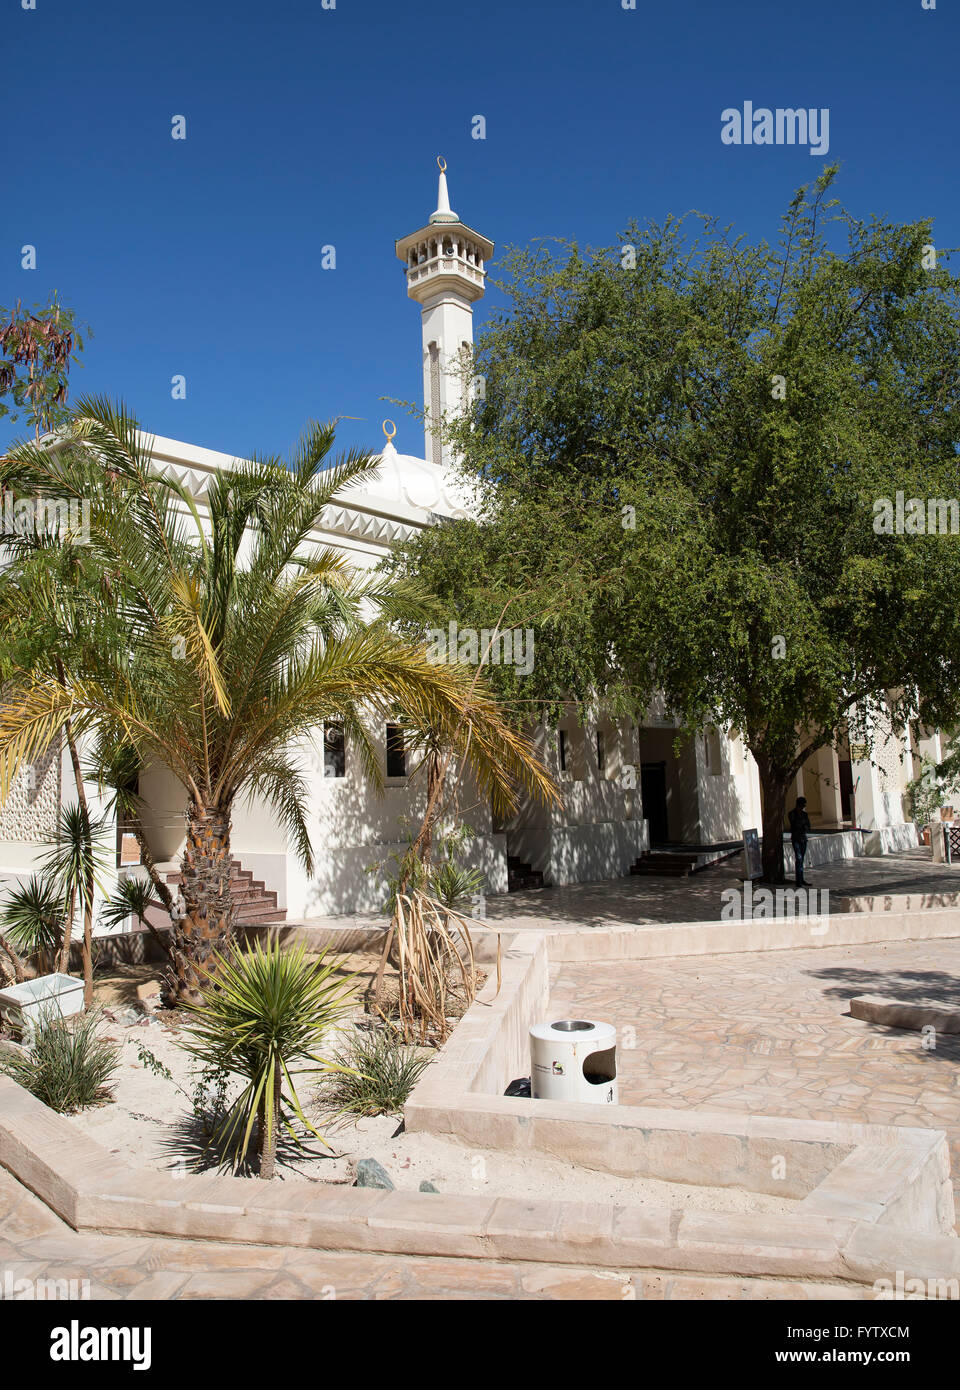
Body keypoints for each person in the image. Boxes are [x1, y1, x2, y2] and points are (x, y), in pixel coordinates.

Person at [788, 796, 812, 887]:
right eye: (802, 805)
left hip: (803, 839)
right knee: (799, 858)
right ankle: (798, 881)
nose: (803, 807)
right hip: (796, 839)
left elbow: (808, 826)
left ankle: (801, 879)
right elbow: (795, 825)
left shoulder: (804, 815)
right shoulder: (792, 814)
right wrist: (802, 825)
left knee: (801, 859)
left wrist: (803, 826)